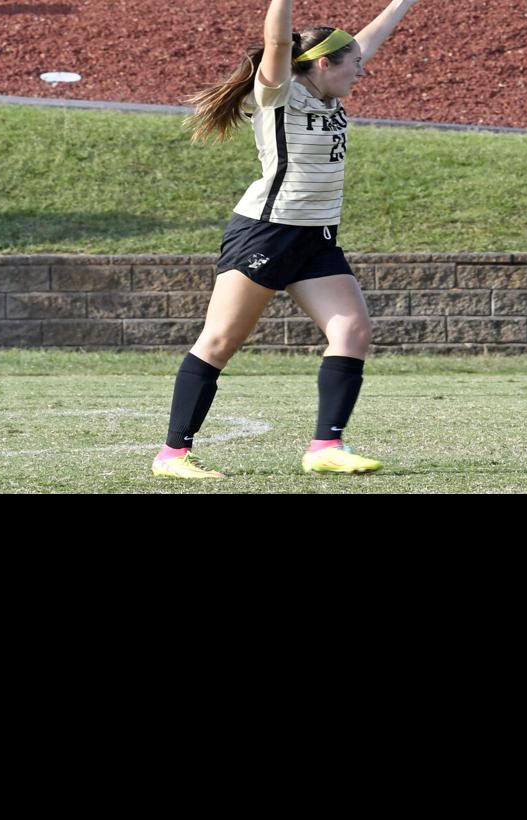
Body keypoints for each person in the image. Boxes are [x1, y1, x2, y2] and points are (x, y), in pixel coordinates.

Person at [152, 0, 421, 479]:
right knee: (219, 342)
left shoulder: (328, 91)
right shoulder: (281, 93)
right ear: (323, 63)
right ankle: (172, 455)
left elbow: (374, 33)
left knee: (353, 332)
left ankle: (325, 446)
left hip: (316, 237)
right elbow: (278, 41)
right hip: (267, 232)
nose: (362, 71)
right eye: (354, 63)